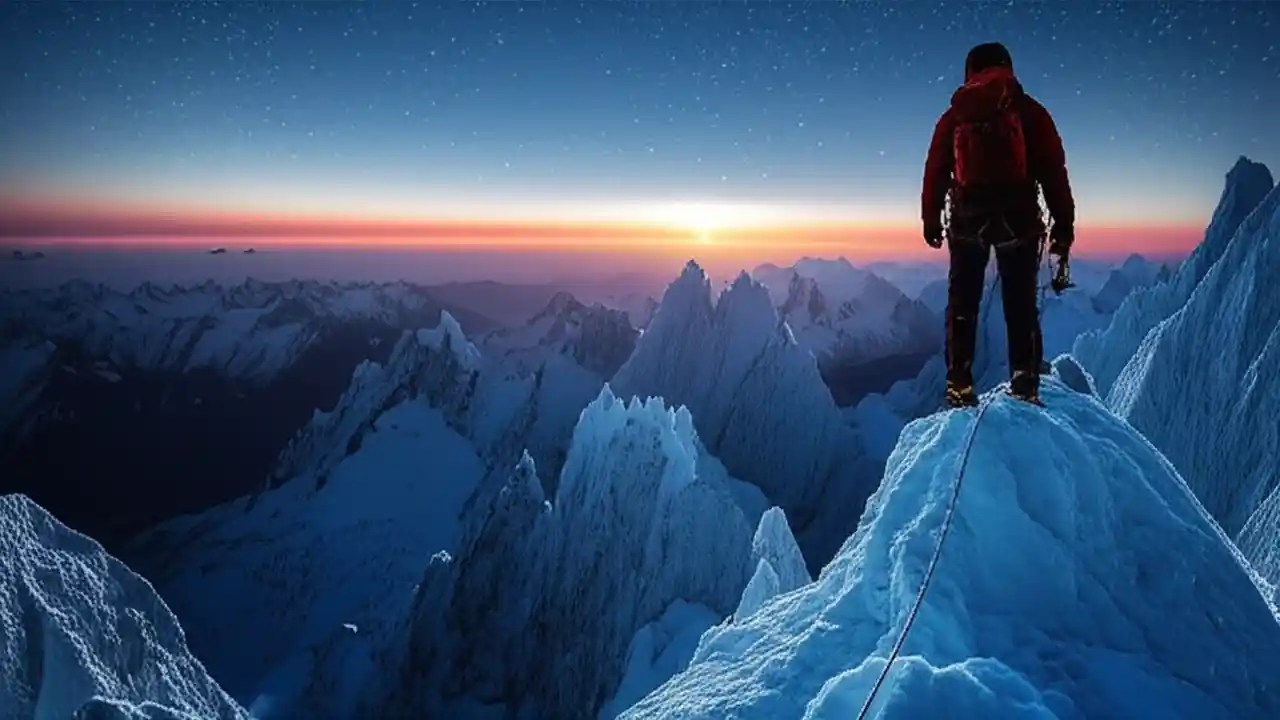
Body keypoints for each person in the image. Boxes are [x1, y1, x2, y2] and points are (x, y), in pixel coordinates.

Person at [921, 42, 1075, 408]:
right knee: (1020, 304)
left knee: (963, 303)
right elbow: (1054, 172)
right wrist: (1063, 226)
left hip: (967, 221)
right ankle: (1025, 382)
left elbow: (936, 169)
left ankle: (959, 385)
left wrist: (930, 218)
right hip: (1018, 221)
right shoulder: (1031, 112)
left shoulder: (955, 116)